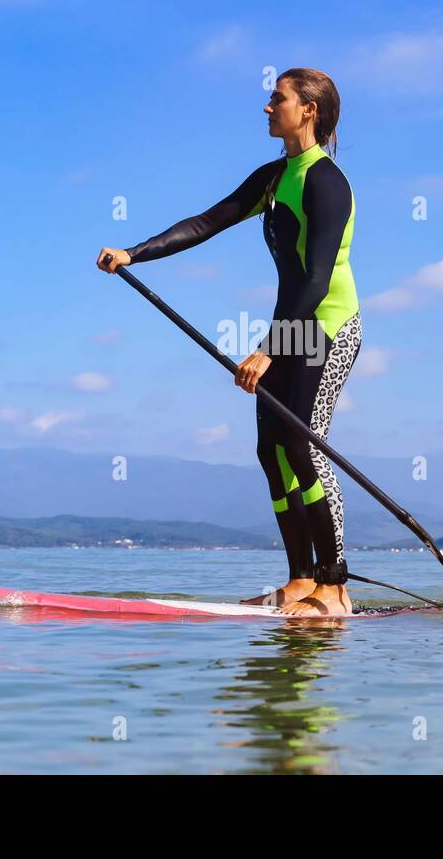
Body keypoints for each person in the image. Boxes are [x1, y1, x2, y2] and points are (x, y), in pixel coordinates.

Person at [97, 68, 361, 616]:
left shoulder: (326, 182)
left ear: (307, 109)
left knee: (301, 446)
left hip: (328, 323)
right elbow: (206, 222)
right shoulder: (274, 176)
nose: (267, 108)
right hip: (291, 323)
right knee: (271, 450)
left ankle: (334, 586)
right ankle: (300, 578)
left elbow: (315, 280)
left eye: (277, 99)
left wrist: (268, 348)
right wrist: (133, 253)